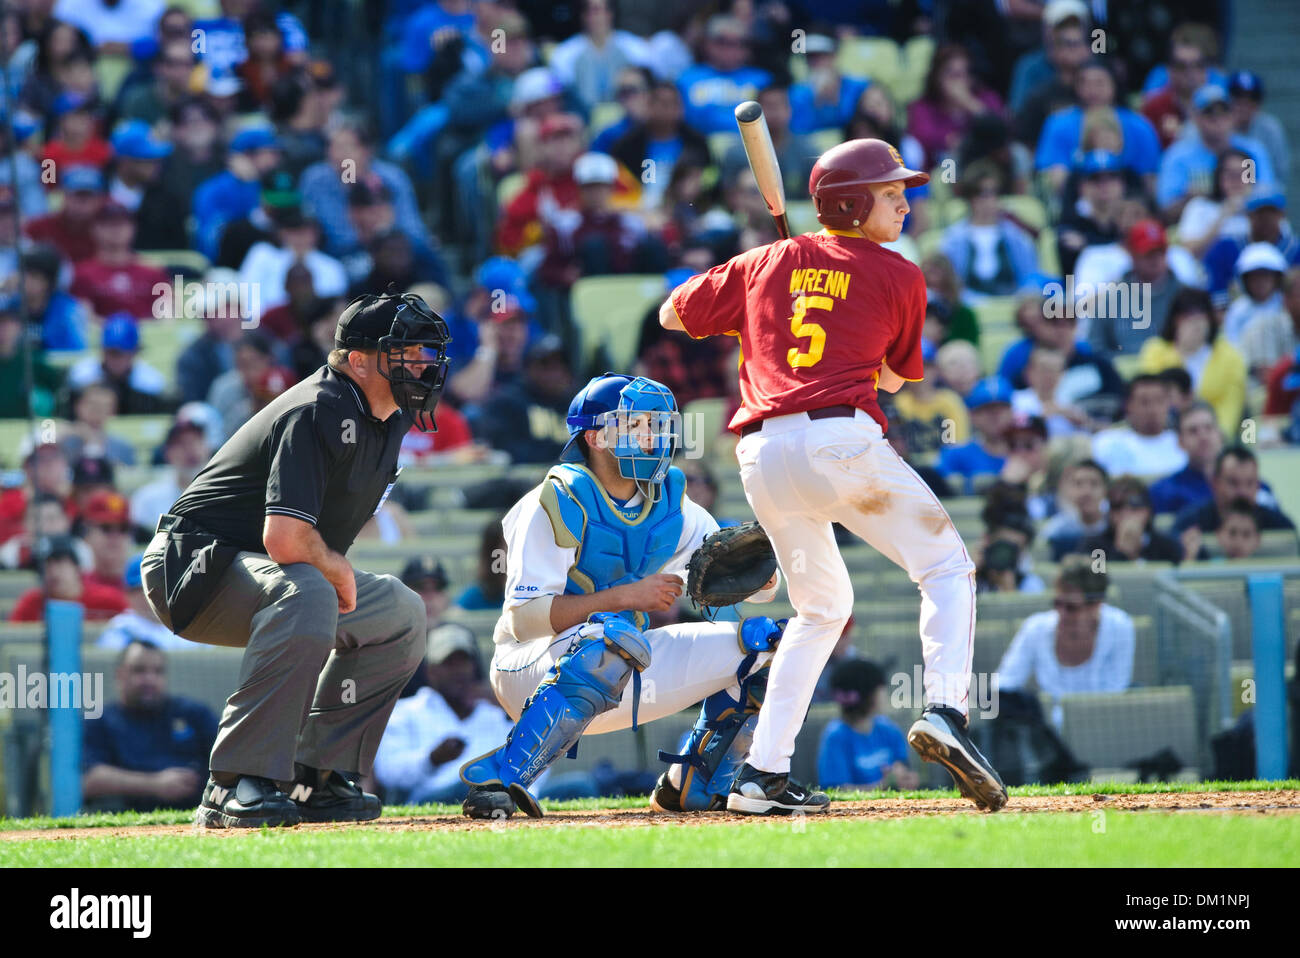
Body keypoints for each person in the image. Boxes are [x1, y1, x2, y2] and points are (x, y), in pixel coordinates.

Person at [660, 138, 1008, 813]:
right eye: (889, 192)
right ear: (850, 203)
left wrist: (767, 292)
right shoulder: (901, 274)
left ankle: (762, 775)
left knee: (820, 611)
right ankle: (946, 712)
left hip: (762, 452)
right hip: (841, 440)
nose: (905, 201)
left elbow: (674, 312)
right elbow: (896, 377)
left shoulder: (765, 261)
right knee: (945, 567)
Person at [138, 290, 451, 828]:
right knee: (306, 589)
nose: (420, 362)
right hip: (192, 566)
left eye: (424, 351)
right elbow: (285, 538)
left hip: (265, 572)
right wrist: (336, 570)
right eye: (402, 351)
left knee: (401, 612)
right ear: (357, 360)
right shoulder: (316, 409)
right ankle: (235, 782)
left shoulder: (390, 416)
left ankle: (319, 777)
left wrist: (330, 570)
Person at [458, 373, 786, 820]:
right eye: (636, 425)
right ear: (595, 436)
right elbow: (525, 621)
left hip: (622, 668)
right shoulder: (553, 501)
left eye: (656, 424)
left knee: (768, 647)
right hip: (528, 671)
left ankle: (693, 783)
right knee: (608, 640)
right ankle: (500, 776)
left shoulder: (671, 500)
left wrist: (762, 579)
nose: (652, 436)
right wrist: (626, 595)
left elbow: (742, 579)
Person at [375, 623, 515, 804]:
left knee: (564, 788)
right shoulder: (405, 712)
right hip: (431, 798)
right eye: (449, 663)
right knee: (477, 783)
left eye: (464, 662)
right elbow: (388, 772)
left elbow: (526, 764)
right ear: (431, 671)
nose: (459, 671)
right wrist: (432, 759)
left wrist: (509, 708)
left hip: (500, 796)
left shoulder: (494, 713)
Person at [995, 556, 1135, 728]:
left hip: (1104, 728)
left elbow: (1115, 693)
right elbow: (1003, 684)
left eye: (1071, 607)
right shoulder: (1035, 627)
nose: (1061, 613)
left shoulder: (1121, 626)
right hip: (1046, 733)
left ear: (1096, 605)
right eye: (1057, 603)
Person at [81, 640, 219, 813]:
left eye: (158, 671)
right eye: (139, 670)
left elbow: (228, 759)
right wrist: (155, 784)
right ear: (120, 675)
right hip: (125, 818)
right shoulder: (99, 721)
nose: (150, 679)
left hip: (196, 813)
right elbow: (88, 780)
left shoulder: (193, 713)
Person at [1137, 288, 1246, 438]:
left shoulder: (1231, 356)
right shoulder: (1155, 350)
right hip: (1165, 434)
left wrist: (1215, 436)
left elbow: (1230, 406)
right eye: (1187, 316)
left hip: (1210, 436)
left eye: (1200, 315)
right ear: (1175, 319)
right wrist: (1182, 350)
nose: (1195, 322)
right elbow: (1152, 394)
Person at [817, 659, 918, 791]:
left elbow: (902, 764)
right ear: (867, 696)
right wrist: (883, 785)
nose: (884, 694)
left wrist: (906, 778)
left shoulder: (888, 729)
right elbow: (836, 789)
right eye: (879, 689)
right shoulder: (836, 736)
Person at [1172, 446, 1296, 553]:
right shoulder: (1189, 523)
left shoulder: (1281, 526)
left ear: (1258, 486)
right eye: (1233, 483)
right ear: (1215, 483)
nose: (1242, 492)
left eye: (1249, 483)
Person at [10, 534, 128, 622]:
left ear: (76, 566)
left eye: (59, 562)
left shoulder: (108, 600)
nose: (52, 572)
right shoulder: (31, 603)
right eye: (44, 566)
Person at [1090, 375, 1188, 479]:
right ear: (1128, 405)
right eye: (1144, 402)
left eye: (1159, 401)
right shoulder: (1106, 442)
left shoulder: (1184, 443)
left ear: (1168, 404)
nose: (1153, 409)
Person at [1080, 477, 1184, 565]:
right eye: (1117, 506)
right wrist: (1121, 552)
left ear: (1148, 510)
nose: (1126, 513)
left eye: (1135, 505)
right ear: (1109, 512)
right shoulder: (1094, 547)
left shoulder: (1168, 545)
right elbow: (1095, 584)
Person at [98, 554, 191, 651]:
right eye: (143, 590)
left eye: (159, 588)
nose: (151, 596)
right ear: (128, 595)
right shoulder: (120, 629)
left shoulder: (190, 625)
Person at [1149, 401, 1228, 515]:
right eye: (1193, 431)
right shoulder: (1162, 492)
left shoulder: (1246, 486)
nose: (1203, 436)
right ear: (1180, 442)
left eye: (1209, 428)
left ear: (1220, 435)